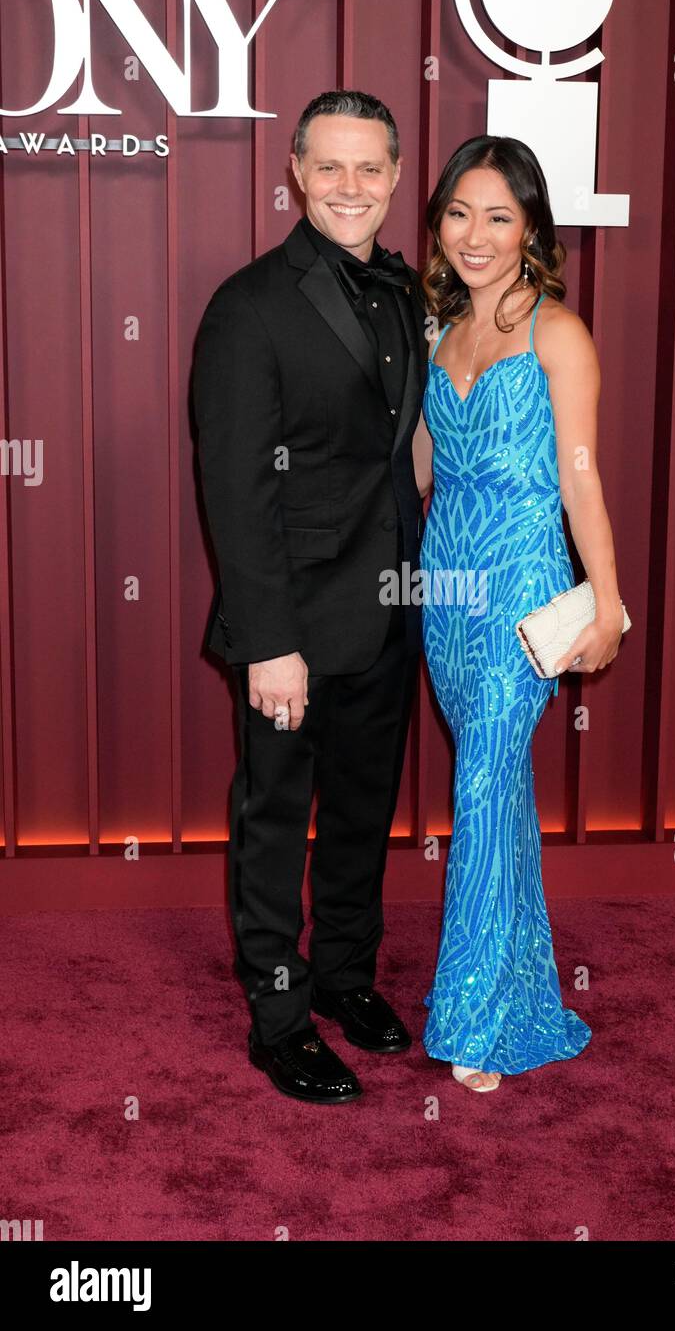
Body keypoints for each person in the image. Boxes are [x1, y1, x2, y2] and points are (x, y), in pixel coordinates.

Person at [192, 91, 428, 1105]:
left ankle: (343, 977)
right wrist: (266, 642)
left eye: (368, 168)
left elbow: (400, 447)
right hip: (291, 623)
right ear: (294, 167)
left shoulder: (406, 289)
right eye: (327, 166)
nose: (348, 186)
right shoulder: (249, 305)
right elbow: (235, 492)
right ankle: (279, 1014)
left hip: (389, 605)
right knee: (277, 820)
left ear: (393, 173)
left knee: (364, 813)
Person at [412, 135, 627, 1093]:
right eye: (459, 212)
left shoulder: (558, 333)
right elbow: (419, 471)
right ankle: (522, 983)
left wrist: (609, 602)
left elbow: (581, 481)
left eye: (498, 215)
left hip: (525, 589)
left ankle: (474, 1012)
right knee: (491, 790)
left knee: (485, 784)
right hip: (445, 584)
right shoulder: (437, 329)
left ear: (531, 227)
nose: (476, 233)